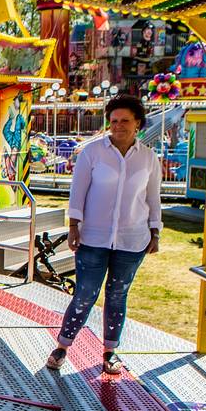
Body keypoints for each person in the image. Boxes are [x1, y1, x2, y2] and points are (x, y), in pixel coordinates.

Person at [46, 95, 161, 375]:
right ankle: (63, 345)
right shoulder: (93, 152)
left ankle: (110, 351)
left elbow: (153, 196)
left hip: (132, 239)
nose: (118, 126)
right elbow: (78, 192)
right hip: (93, 238)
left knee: (118, 295)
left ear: (138, 124)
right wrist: (74, 226)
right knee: (85, 293)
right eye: (113, 121)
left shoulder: (148, 158)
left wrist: (155, 231)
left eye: (125, 121)